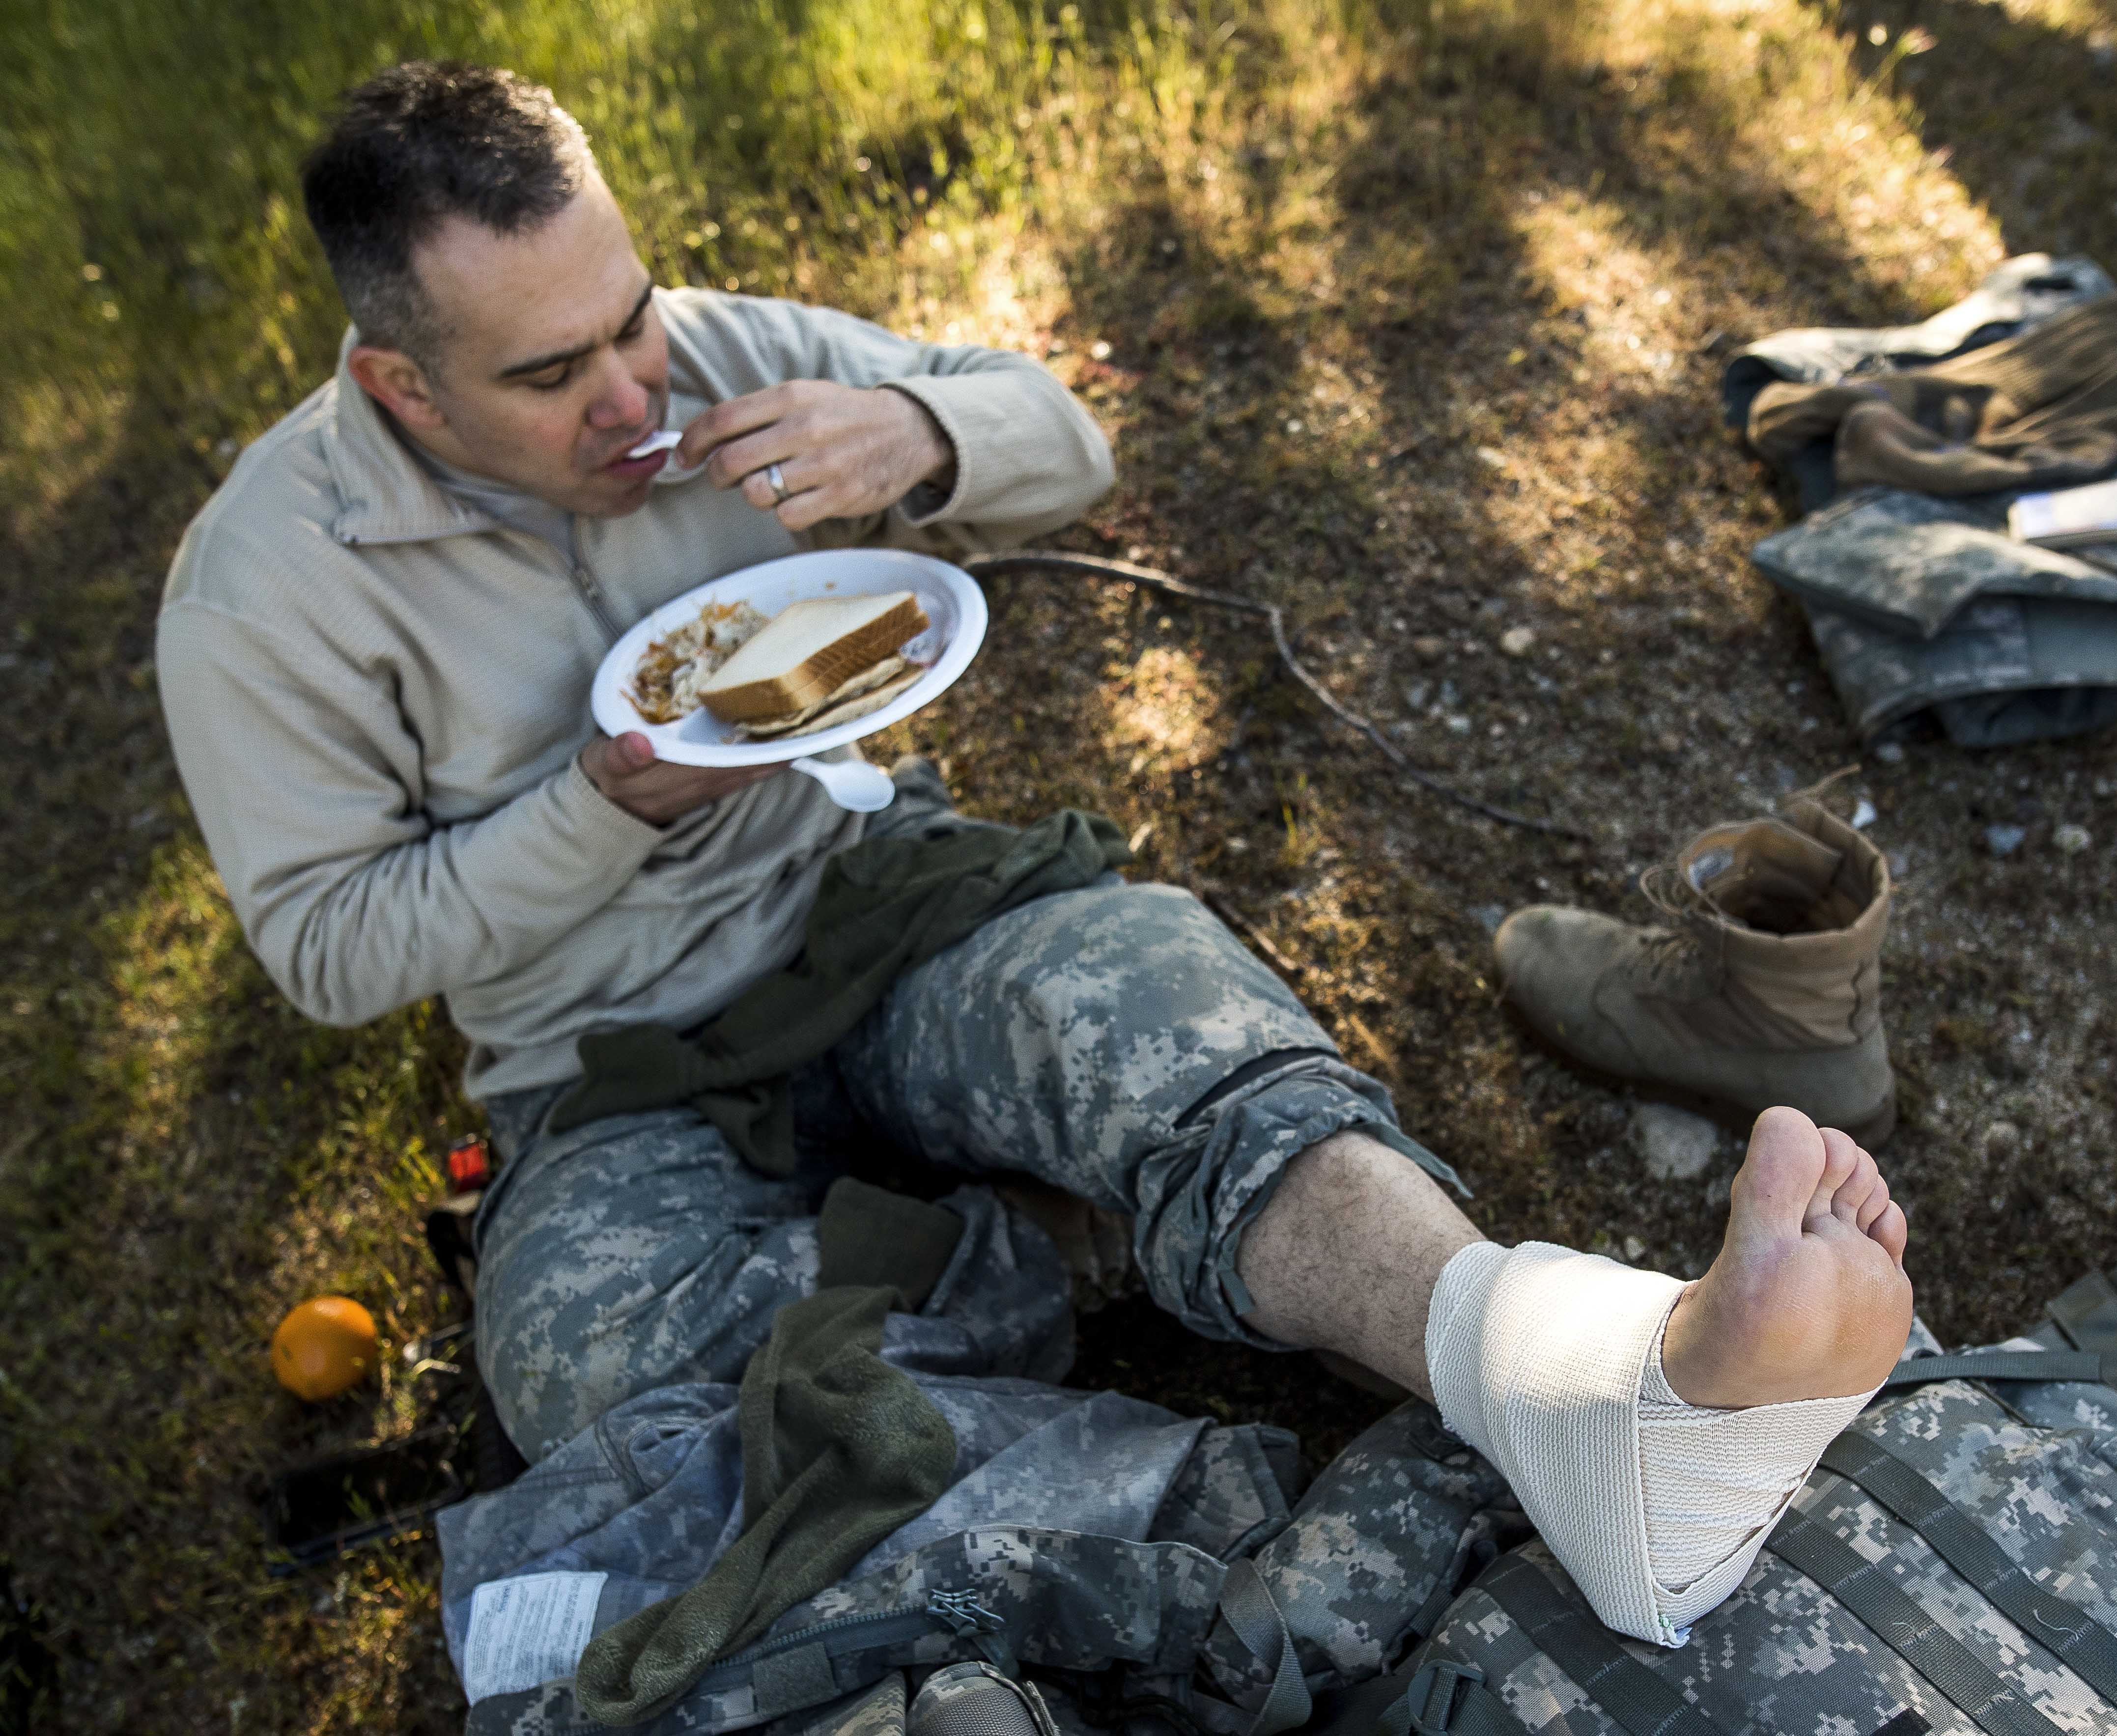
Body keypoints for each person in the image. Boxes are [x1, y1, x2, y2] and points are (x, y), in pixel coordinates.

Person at [154, 61, 1912, 1661]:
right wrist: (598, 810)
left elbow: (1063, 440)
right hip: (604, 1069)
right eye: (551, 375)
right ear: (400, 383)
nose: (635, 396)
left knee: (1164, 1017)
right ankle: (1220, 1451)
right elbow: (329, 951)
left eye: (631, 323)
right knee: (598, 1374)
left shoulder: (714, 352)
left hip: (885, 905)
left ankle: (1586, 1389)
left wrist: (922, 440)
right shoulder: (266, 592)